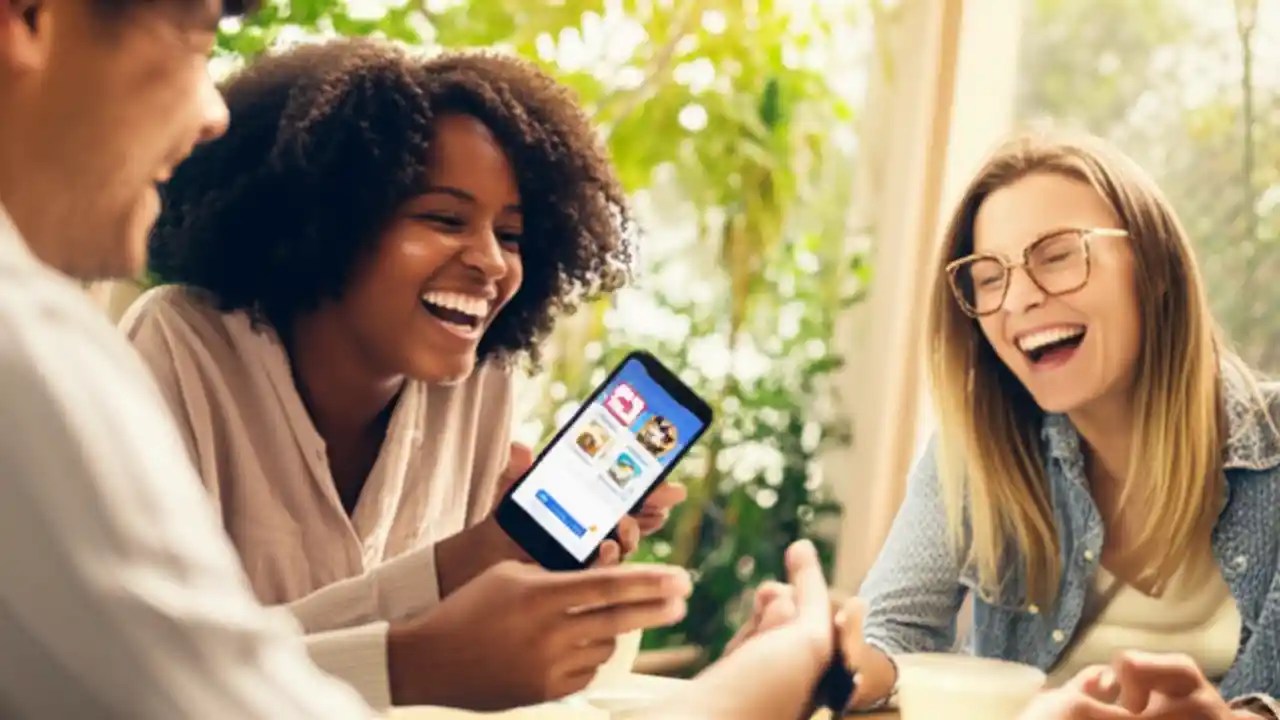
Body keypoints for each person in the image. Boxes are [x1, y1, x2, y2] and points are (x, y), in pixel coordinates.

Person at [0, 0, 693, 715]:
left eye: (513, 236)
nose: (490, 262)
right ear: (329, 224)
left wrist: (510, 558)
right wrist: (424, 647)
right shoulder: (167, 350)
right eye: (443, 219)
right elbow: (190, 671)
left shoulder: (478, 382)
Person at [817, 132, 1280, 717]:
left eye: (1058, 256)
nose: (1019, 299)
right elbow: (890, 637)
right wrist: (837, 660)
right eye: (989, 278)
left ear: (1156, 268)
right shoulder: (976, 452)